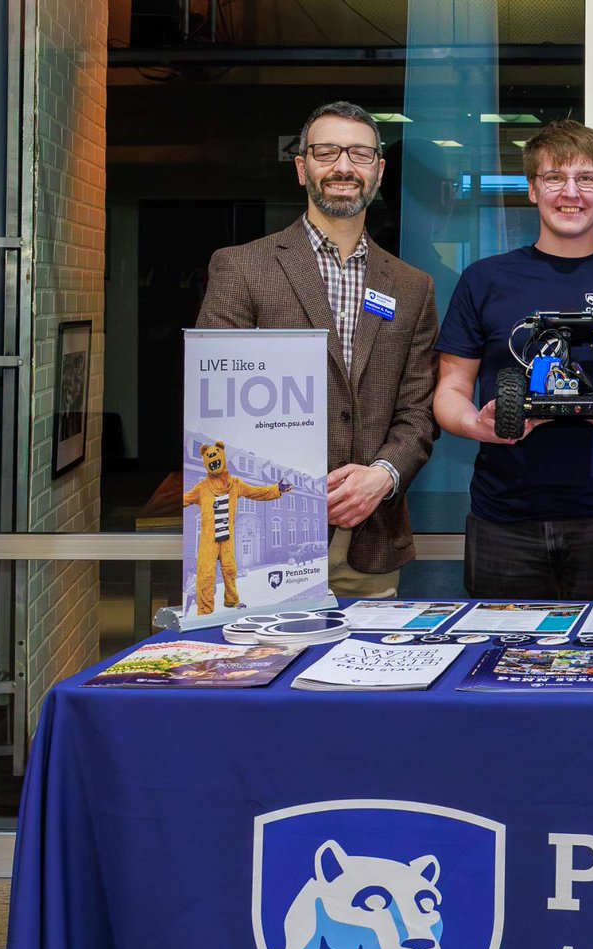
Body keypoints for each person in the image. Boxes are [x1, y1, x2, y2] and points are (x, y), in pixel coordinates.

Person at [196, 100, 440, 599]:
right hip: (261, 539)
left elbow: (418, 410)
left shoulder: (412, 287)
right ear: (302, 168)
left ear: (378, 172)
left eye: (359, 155)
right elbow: (212, 408)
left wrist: (383, 475)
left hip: (368, 540)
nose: (344, 167)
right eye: (327, 152)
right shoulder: (241, 267)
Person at [431, 121, 593, 601]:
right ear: (533, 190)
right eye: (554, 178)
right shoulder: (484, 280)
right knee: (500, 661)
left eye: (586, 179)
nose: (571, 193)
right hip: (505, 517)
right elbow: (450, 391)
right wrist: (478, 423)